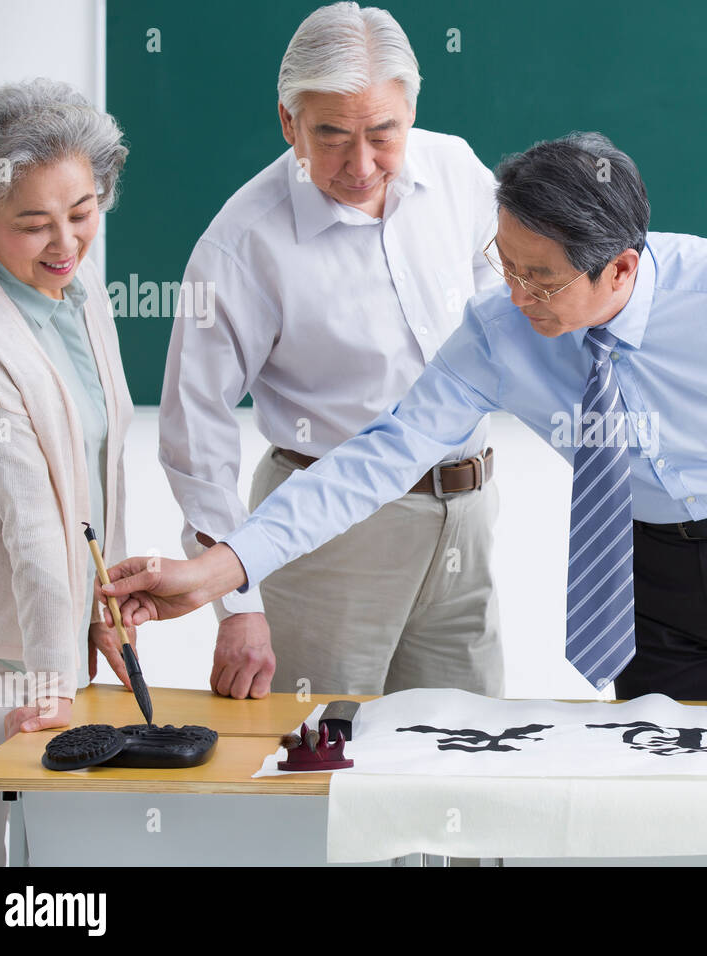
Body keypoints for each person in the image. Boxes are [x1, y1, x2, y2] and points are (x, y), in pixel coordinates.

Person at [106, 131, 707, 715]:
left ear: (620, 267)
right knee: (668, 809)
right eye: (505, 264)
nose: (515, 296)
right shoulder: (498, 329)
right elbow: (376, 457)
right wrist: (224, 566)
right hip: (648, 575)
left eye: (541, 279)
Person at [159, 2, 504, 700]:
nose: (361, 164)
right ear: (289, 123)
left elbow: (505, 311)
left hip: (468, 516)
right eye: (332, 135)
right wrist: (240, 600)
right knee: (318, 767)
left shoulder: (458, 171)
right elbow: (194, 434)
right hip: (326, 536)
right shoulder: (241, 244)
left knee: (464, 754)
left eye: (384, 132)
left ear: (411, 107)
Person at [0, 79, 135, 866]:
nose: (65, 241)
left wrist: (110, 609)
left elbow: (100, 464)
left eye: (83, 211)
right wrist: (51, 684)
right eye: (34, 223)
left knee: (47, 856)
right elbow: (31, 519)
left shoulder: (77, 294)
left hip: (51, 642)